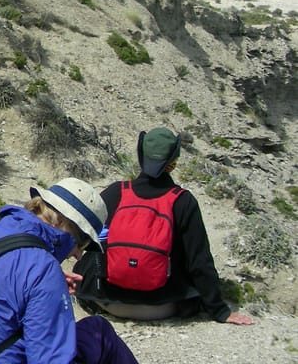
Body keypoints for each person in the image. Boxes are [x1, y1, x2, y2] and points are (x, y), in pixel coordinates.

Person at [74, 128, 254, 326]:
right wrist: (220, 311)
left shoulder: (117, 192)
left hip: (107, 303)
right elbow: (199, 261)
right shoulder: (183, 201)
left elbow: (87, 237)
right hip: (159, 308)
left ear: (141, 155)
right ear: (173, 163)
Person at [0, 178, 139, 363]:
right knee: (100, 332)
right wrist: (48, 283)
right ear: (66, 224)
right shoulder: (42, 270)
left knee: (96, 330)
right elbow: (51, 358)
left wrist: (41, 290)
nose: (79, 255)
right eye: (82, 243)